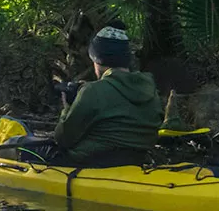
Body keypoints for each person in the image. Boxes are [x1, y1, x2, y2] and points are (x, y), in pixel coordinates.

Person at [47, 26, 162, 167]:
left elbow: (63, 138)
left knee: (27, 150)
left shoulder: (92, 91)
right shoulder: (150, 89)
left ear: (97, 60)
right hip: (136, 162)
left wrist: (67, 109)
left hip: (91, 163)